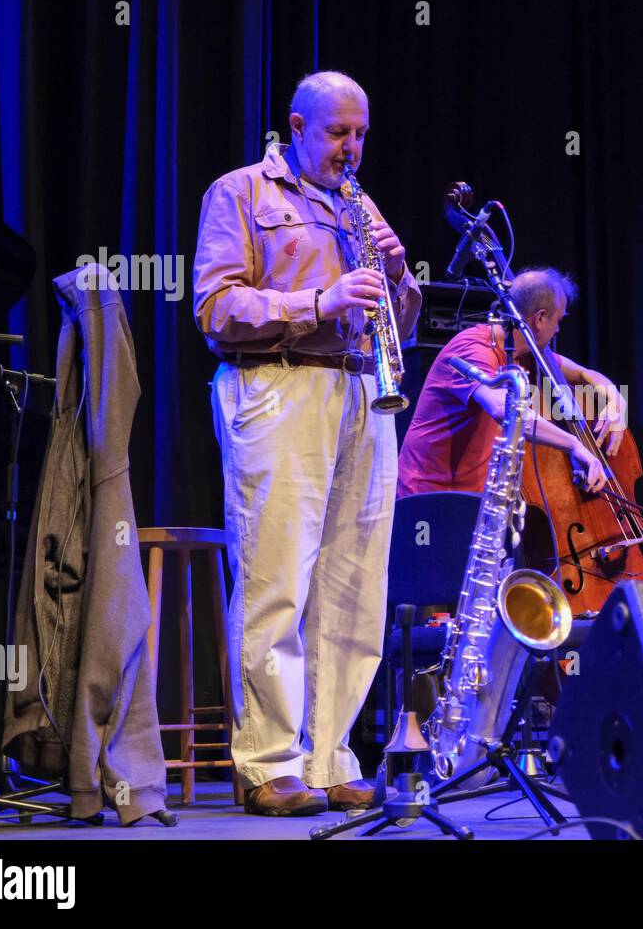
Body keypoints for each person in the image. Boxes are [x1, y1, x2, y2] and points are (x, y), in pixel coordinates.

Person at [192, 70, 421, 816]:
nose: (351, 148)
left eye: (360, 134)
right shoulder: (240, 192)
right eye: (336, 133)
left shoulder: (359, 203)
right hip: (281, 384)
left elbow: (402, 327)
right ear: (296, 125)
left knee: (355, 587)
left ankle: (331, 756)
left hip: (363, 391)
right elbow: (216, 306)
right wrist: (316, 301)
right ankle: (267, 763)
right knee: (277, 576)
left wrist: (397, 275)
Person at [397, 268, 622, 498]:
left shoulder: (523, 352)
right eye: (558, 320)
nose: (557, 330)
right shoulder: (473, 349)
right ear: (540, 318)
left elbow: (585, 374)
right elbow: (504, 410)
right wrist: (574, 444)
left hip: (469, 498)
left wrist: (616, 399)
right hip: (426, 495)